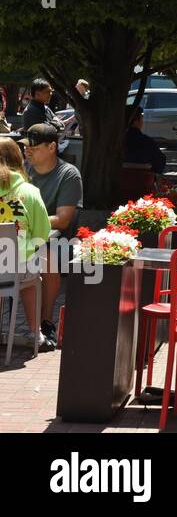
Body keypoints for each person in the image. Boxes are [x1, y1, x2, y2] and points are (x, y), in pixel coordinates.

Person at [19, 123, 82, 346]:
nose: (27, 151)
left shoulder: (68, 175)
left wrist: (28, 224)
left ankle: (45, 322)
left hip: (56, 241)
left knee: (48, 259)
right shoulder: (22, 171)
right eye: (26, 146)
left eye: (33, 147)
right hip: (22, 237)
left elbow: (63, 219)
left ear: (52, 147)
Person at [0, 136, 53, 350]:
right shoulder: (29, 193)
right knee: (31, 278)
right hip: (19, 266)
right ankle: (35, 334)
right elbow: (43, 232)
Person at [123, 105, 167, 174]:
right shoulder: (147, 142)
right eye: (141, 118)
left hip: (119, 182)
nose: (142, 121)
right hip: (144, 182)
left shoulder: (115, 142)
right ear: (135, 122)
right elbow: (159, 165)